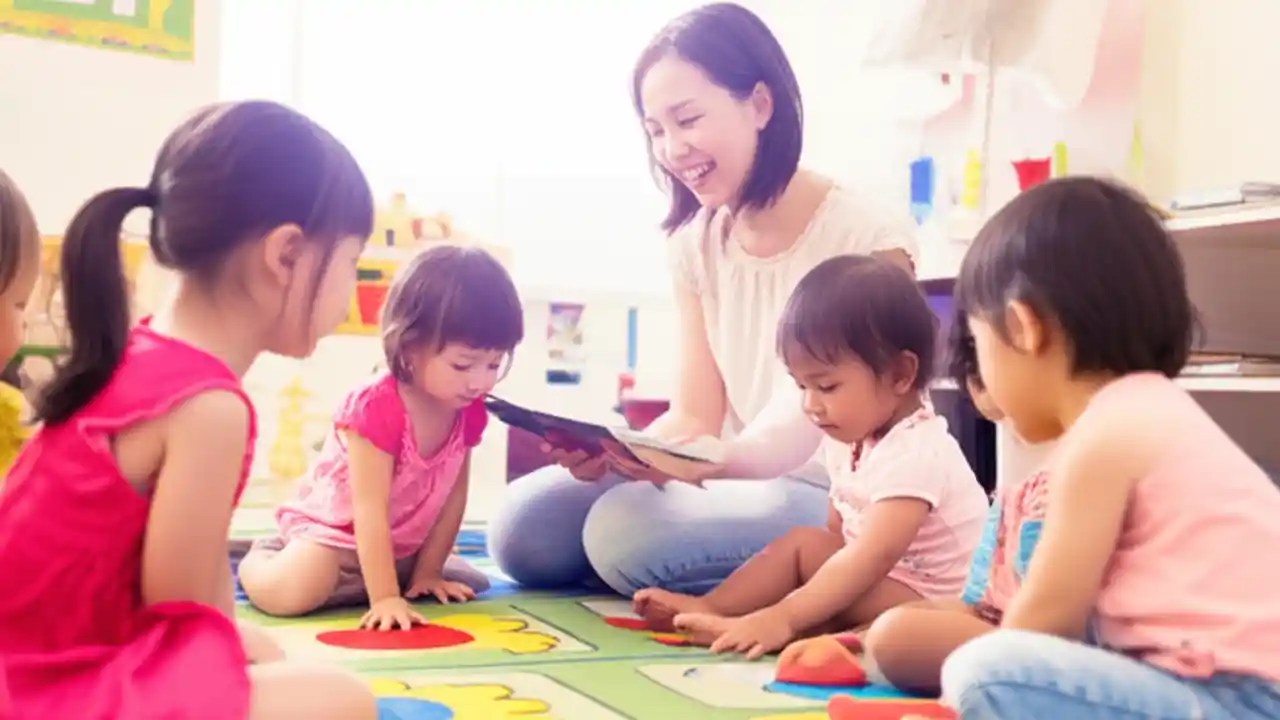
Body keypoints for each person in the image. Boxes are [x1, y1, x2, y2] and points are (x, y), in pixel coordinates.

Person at [488, 1, 918, 597]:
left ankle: (779, 569)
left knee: (620, 536)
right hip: (734, 470)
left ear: (760, 105)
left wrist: (719, 461)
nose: (671, 149)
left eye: (687, 119)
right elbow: (695, 414)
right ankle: (683, 560)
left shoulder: (869, 240)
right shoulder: (696, 245)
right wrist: (625, 455)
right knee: (521, 528)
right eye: (655, 130)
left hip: (833, 491)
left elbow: (817, 423)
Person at [0, 101, 380, 719]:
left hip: (39, 658)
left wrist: (236, 653)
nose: (348, 295)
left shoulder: (145, 352)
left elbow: (195, 590)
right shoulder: (207, 408)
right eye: (350, 264)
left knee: (269, 656)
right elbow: (178, 610)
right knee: (343, 701)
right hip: (45, 686)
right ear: (286, 255)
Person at [938, 177, 1280, 718]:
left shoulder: (1103, 438)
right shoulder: (1152, 413)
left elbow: (1042, 625)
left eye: (979, 344)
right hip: (1234, 688)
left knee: (983, 671)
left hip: (1242, 702)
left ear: (1024, 328)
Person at [633, 255, 988, 658]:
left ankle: (799, 629)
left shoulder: (918, 452)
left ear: (900, 375)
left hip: (935, 600)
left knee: (834, 601)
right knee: (801, 545)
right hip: (887, 581)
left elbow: (869, 557)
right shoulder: (847, 435)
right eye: (801, 386)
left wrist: (784, 614)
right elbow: (837, 533)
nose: (810, 405)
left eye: (826, 386)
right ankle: (713, 607)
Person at [240, 246, 522, 629]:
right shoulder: (377, 406)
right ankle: (264, 557)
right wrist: (386, 598)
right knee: (297, 591)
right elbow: (368, 510)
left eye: (493, 364)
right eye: (463, 364)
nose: (481, 381)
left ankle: (373, 579)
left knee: (469, 580)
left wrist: (429, 572)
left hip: (398, 543)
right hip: (335, 536)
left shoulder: (466, 409)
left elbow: (454, 496)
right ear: (408, 348)